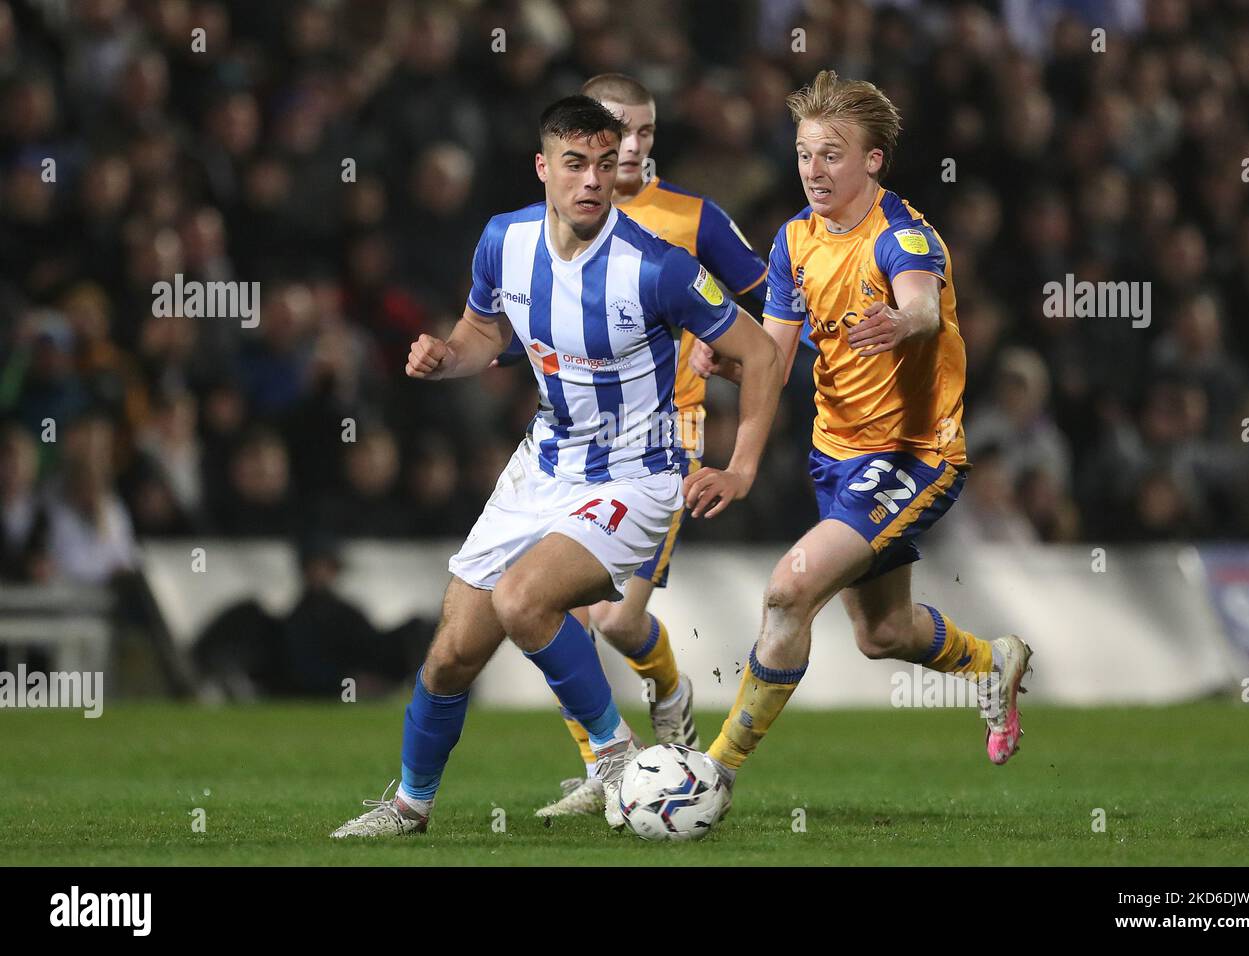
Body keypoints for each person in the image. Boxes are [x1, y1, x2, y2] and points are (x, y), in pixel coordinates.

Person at [330, 95, 781, 837]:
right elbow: (481, 330)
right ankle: (409, 806)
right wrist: (446, 358)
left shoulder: (658, 268)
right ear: (544, 167)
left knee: (523, 601)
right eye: (575, 164)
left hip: (635, 476)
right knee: (448, 659)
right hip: (540, 468)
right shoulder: (501, 242)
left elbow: (760, 352)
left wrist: (742, 468)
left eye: (606, 164)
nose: (593, 181)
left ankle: (613, 757)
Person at [691, 71, 1033, 818]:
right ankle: (990, 662)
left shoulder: (902, 236)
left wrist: (903, 322)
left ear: (873, 161)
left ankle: (710, 776)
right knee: (882, 634)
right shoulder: (793, 241)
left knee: (787, 591)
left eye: (832, 154)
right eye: (805, 154)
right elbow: (776, 362)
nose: (814, 170)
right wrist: (730, 377)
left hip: (915, 456)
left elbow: (920, 306)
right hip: (836, 455)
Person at [533, 72, 770, 818]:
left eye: (645, 132)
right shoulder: (551, 222)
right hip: (573, 443)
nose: (631, 146)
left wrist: (724, 360)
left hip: (666, 442)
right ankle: (605, 764)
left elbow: (774, 329)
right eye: (616, 129)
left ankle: (669, 688)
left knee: (613, 620)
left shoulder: (693, 221)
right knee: (554, 611)